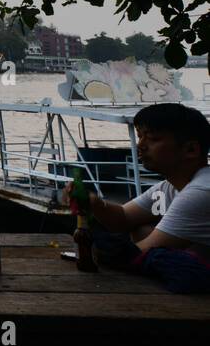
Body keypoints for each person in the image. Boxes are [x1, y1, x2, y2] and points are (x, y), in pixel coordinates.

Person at [72, 102, 210, 293]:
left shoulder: (201, 192)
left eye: (152, 139)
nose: (140, 146)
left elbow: (136, 254)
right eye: (139, 137)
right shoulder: (171, 187)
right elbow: (123, 217)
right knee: (141, 228)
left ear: (191, 150)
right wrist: (94, 203)